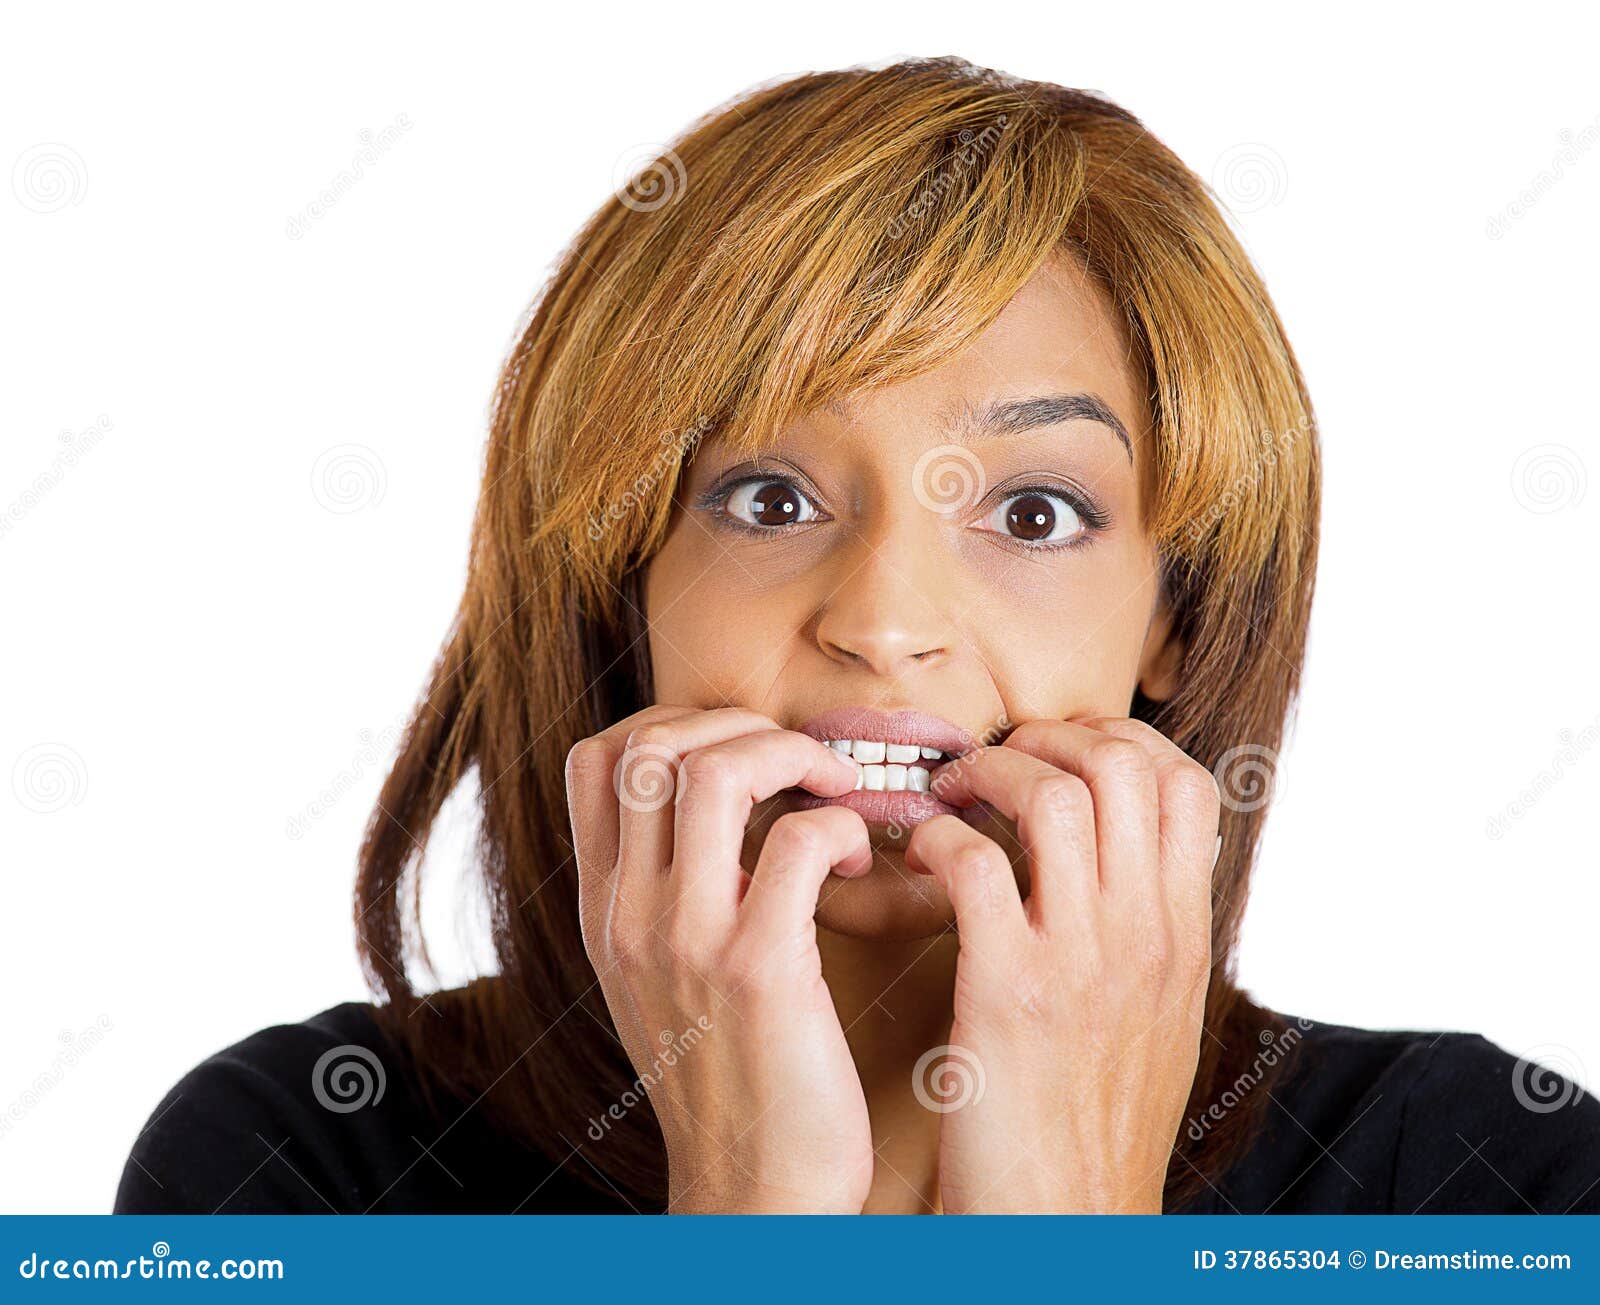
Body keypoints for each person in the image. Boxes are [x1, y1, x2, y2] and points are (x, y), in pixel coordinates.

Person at [116, 56, 1600, 1216]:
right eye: (767, 496)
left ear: (1177, 611)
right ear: (624, 589)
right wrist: (758, 1216)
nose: (886, 624)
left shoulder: (1488, 1179)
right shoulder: (294, 1162)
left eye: (1033, 516)